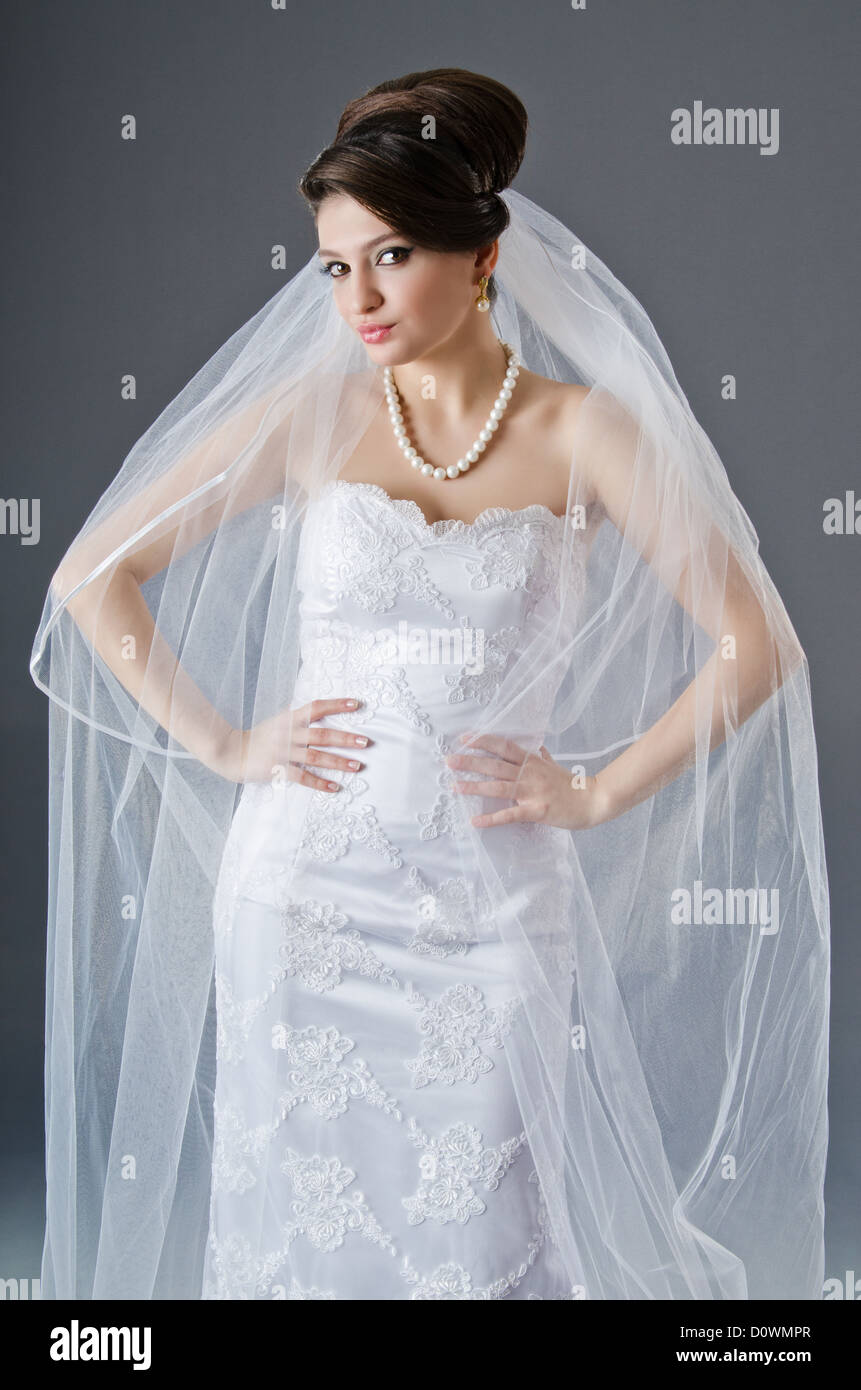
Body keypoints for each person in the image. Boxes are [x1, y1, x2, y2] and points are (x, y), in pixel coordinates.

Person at [31, 68, 830, 1300]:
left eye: (391, 254)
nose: (358, 297)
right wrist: (230, 744)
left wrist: (598, 788)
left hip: (493, 902)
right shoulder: (312, 412)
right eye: (334, 267)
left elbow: (756, 643)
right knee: (303, 1224)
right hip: (300, 889)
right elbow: (99, 573)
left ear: (484, 251)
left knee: (490, 1234)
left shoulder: (585, 435)